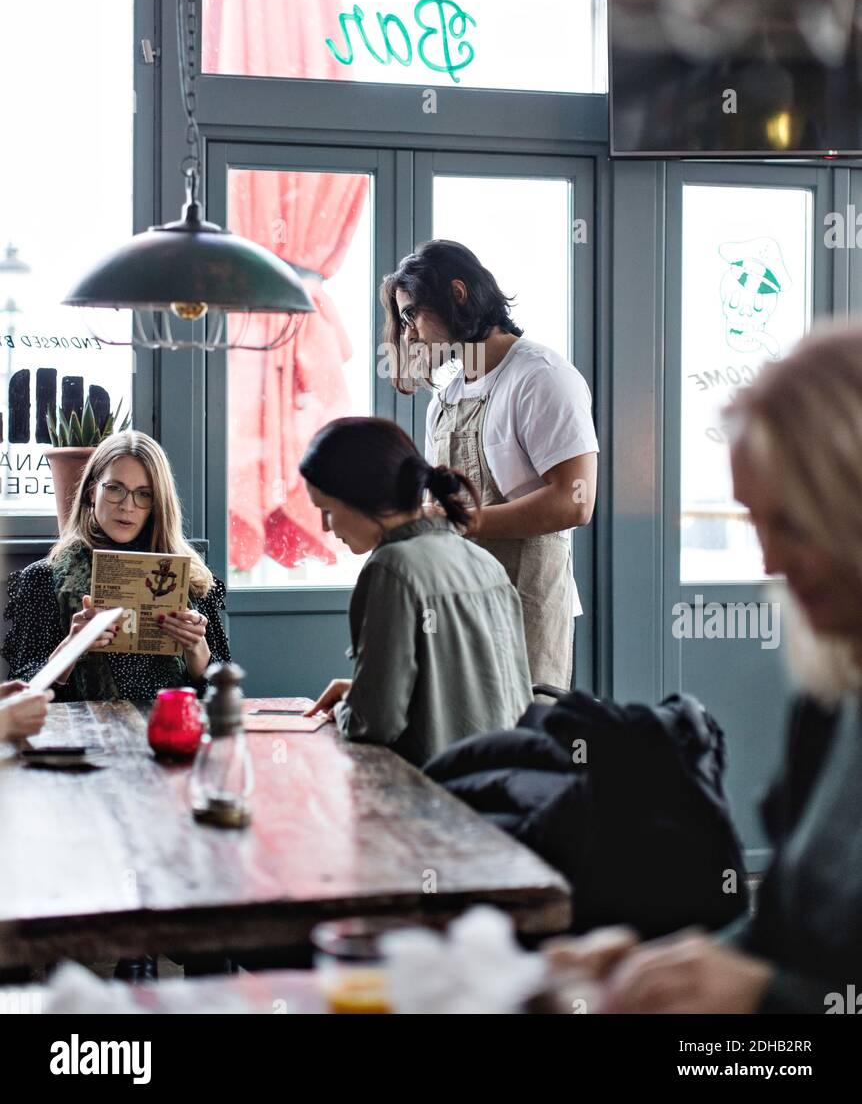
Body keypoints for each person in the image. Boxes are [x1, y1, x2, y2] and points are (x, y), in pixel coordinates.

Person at [543, 322, 862, 1013]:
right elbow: (788, 936)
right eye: (757, 525)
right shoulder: (834, 702)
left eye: (795, 524)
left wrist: (764, 998)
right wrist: (670, 963)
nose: (770, 564)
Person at [380, 239, 598, 691]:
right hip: (458, 603)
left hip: (526, 603)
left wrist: (458, 522)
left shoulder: (540, 377)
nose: (410, 335)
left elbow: (575, 502)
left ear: (457, 293)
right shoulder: (446, 397)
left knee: (518, 745)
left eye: (412, 315)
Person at [301, 416, 534, 767]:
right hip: (501, 791)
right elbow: (473, 696)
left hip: (437, 799)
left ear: (359, 497)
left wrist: (350, 709)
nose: (325, 527)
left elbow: (375, 725)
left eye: (327, 510)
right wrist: (359, 693)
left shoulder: (391, 568)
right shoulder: (482, 561)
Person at [2, 430, 230, 703]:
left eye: (144, 494)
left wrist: (197, 649)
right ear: (91, 492)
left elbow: (229, 693)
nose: (127, 506)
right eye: (114, 489)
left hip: (171, 732)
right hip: (83, 738)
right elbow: (19, 697)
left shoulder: (191, 580)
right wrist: (70, 649)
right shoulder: (43, 578)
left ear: (157, 505)